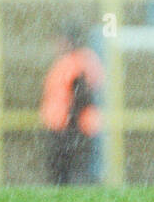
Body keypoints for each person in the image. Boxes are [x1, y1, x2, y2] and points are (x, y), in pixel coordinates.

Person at [38, 27, 104, 184]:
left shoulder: (75, 63)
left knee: (69, 172)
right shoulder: (79, 60)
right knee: (66, 171)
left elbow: (82, 96)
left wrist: (71, 121)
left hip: (71, 127)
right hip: (69, 125)